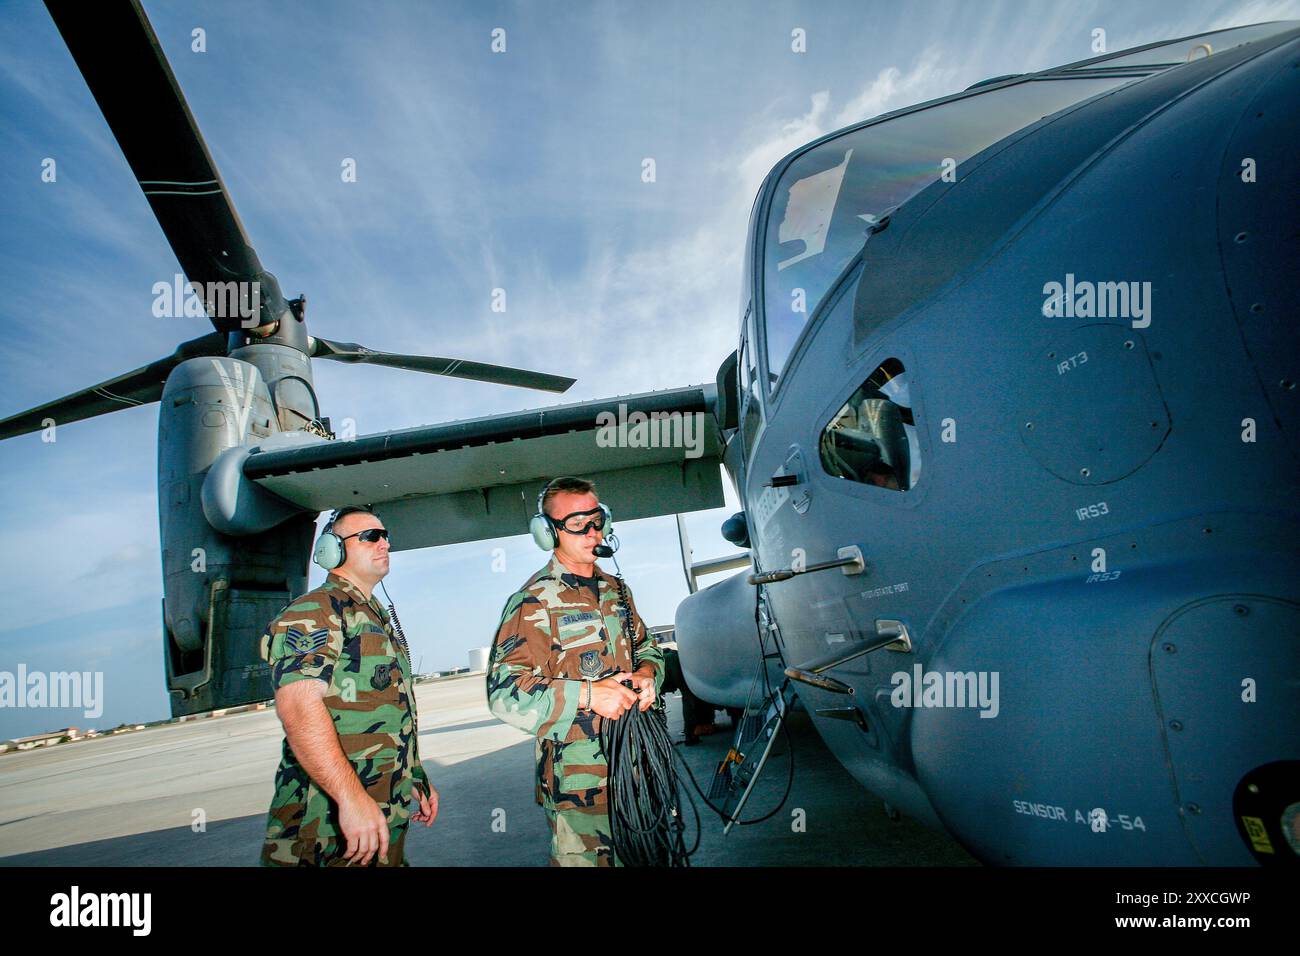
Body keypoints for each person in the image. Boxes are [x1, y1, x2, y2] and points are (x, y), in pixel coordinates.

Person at [487, 476, 663, 866]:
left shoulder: (617, 590)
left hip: (637, 773)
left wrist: (649, 673)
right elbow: (504, 693)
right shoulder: (533, 601)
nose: (592, 532)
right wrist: (588, 695)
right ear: (549, 533)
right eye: (577, 524)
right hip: (581, 789)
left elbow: (648, 648)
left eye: (597, 520)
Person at [259, 505, 437, 866]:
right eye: (370, 536)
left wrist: (415, 776)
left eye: (386, 536)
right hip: (327, 822)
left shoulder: (371, 614)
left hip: (382, 806)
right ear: (332, 550)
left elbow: (388, 710)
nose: (384, 543)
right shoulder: (314, 612)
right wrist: (350, 799)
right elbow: (297, 708)